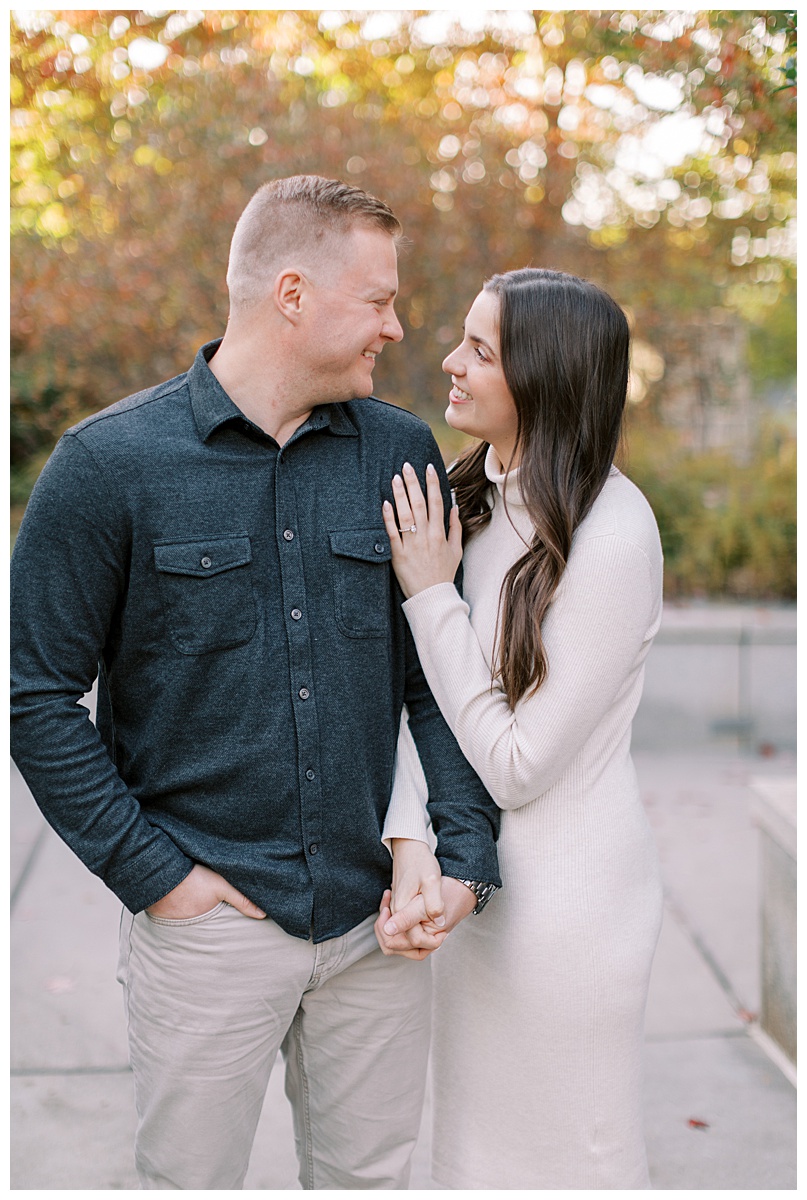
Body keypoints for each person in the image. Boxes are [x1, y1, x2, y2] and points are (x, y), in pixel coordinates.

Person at [9, 175, 501, 1190]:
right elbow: (35, 697)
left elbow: (435, 673)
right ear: (291, 294)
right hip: (209, 931)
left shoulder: (401, 453)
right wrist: (160, 880)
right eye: (378, 300)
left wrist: (460, 855)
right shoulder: (107, 467)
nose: (398, 328)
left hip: (377, 928)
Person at [376, 268, 665, 1189]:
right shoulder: (471, 497)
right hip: (480, 893)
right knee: (471, 1159)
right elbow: (424, 706)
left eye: (481, 351)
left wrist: (430, 597)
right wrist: (415, 842)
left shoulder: (611, 534)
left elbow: (515, 762)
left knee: (573, 1160)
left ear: (541, 377)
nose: (450, 363)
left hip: (570, 915)